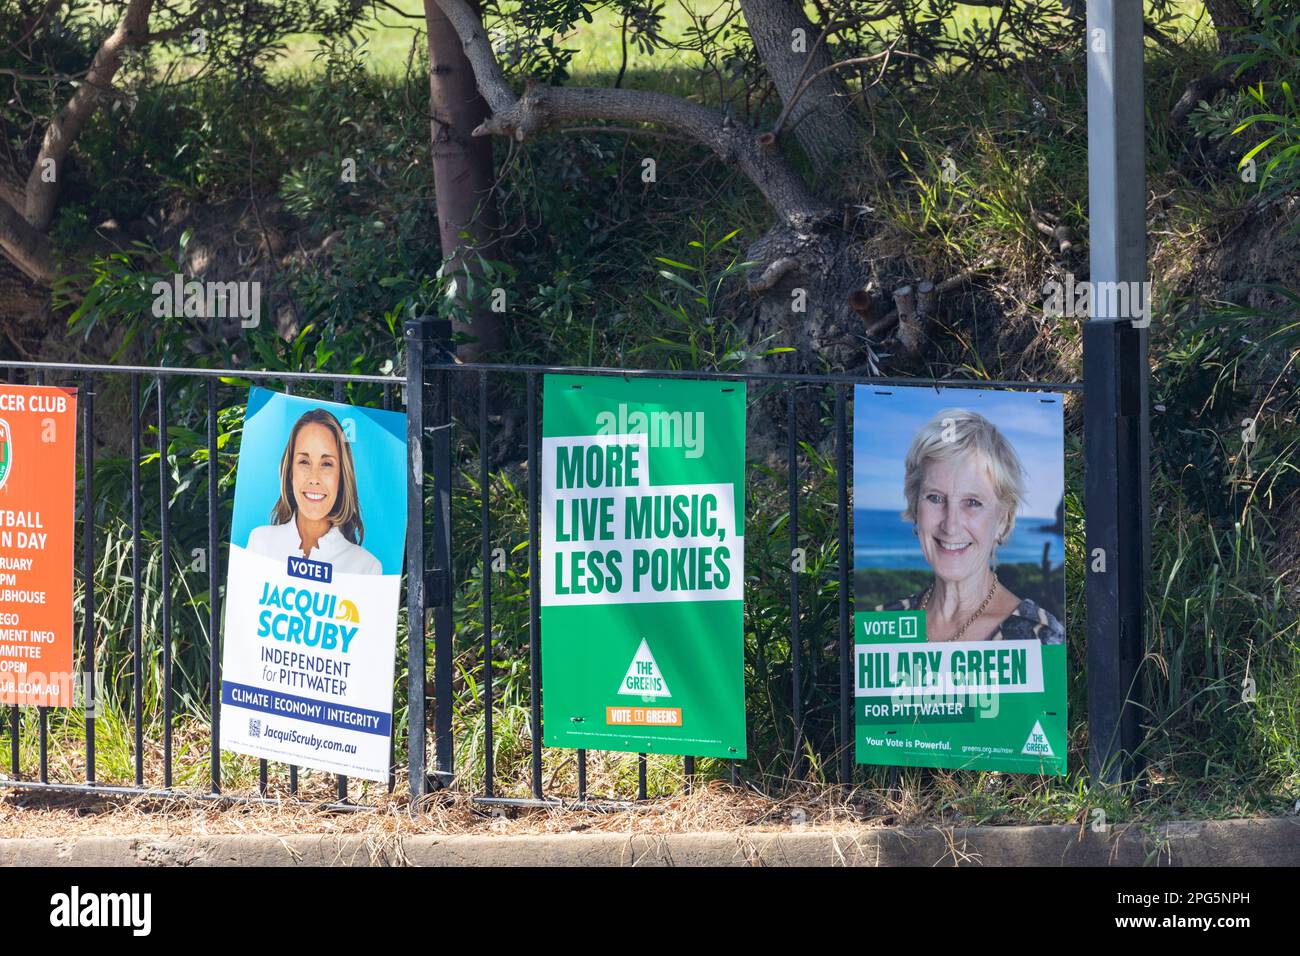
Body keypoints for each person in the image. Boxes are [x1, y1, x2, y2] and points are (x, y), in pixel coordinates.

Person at [876, 408, 1064, 643]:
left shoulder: (1042, 636)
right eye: (935, 497)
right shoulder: (882, 625)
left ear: (1003, 521)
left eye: (973, 502)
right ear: (915, 506)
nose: (951, 525)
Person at [246, 407, 383, 575]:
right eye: (304, 461)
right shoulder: (259, 544)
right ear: (290, 471)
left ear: (341, 477)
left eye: (326, 464)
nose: (314, 478)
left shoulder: (366, 568)